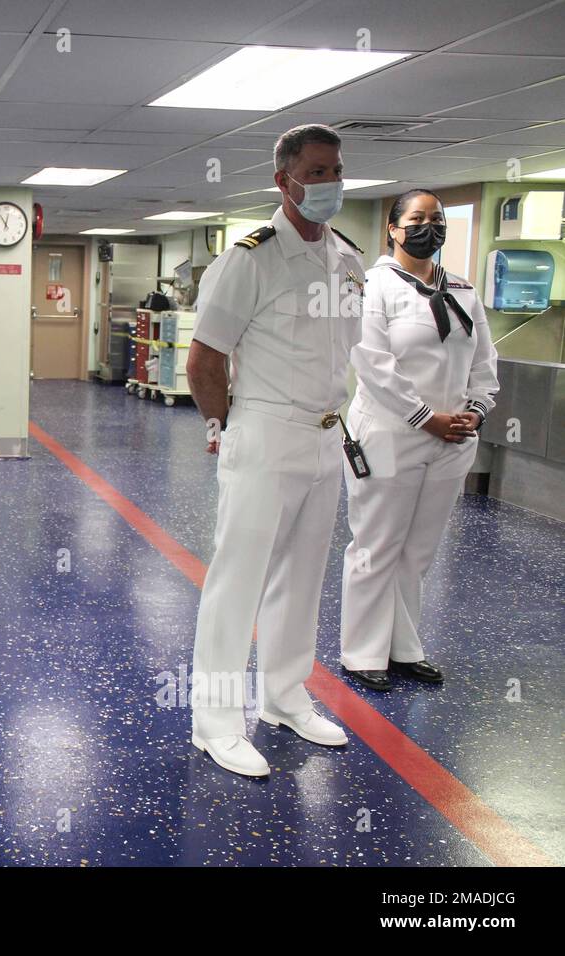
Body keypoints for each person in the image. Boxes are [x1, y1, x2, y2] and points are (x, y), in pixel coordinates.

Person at [185, 124, 366, 778]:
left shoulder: (345, 257)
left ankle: (285, 698)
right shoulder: (250, 256)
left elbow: (347, 351)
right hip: (263, 431)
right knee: (239, 582)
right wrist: (224, 426)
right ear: (283, 180)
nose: (328, 183)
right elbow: (204, 359)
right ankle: (215, 722)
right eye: (315, 172)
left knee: (302, 578)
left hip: (323, 437)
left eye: (335, 170)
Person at [339, 189, 499, 691]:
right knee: (377, 544)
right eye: (416, 218)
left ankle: (403, 648)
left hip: (452, 439)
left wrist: (474, 410)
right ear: (392, 228)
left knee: (419, 550)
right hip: (390, 433)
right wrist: (425, 416)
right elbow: (372, 361)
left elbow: (484, 362)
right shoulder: (372, 286)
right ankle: (362, 652)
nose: (427, 226)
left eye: (436, 218)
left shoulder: (464, 290)